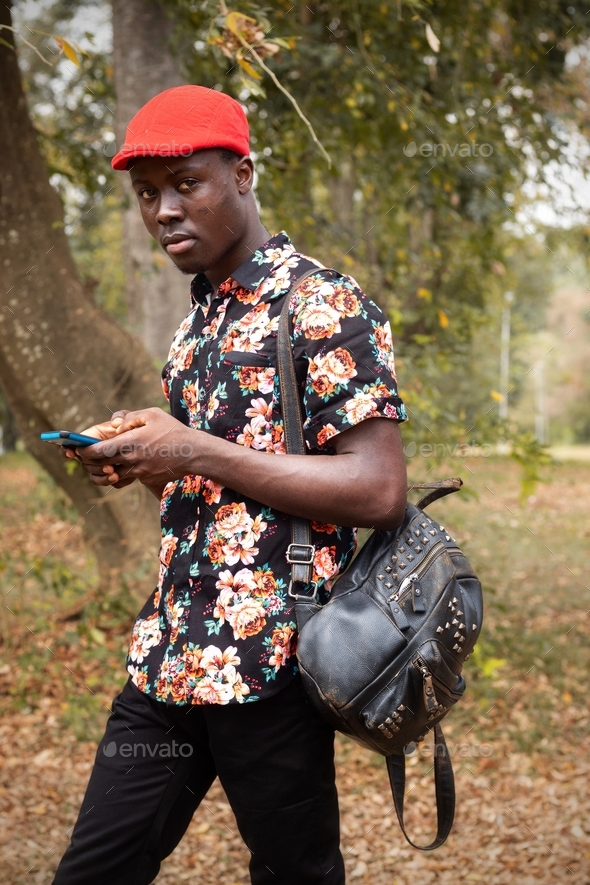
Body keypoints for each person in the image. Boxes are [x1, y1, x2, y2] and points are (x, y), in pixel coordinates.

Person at [52, 85, 408, 885]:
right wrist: (148, 464)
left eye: (187, 183)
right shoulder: (194, 328)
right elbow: (205, 497)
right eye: (148, 195)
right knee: (93, 868)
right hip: (171, 653)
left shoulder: (321, 305)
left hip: (273, 663)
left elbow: (379, 489)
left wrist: (195, 450)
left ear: (243, 175)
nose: (165, 210)